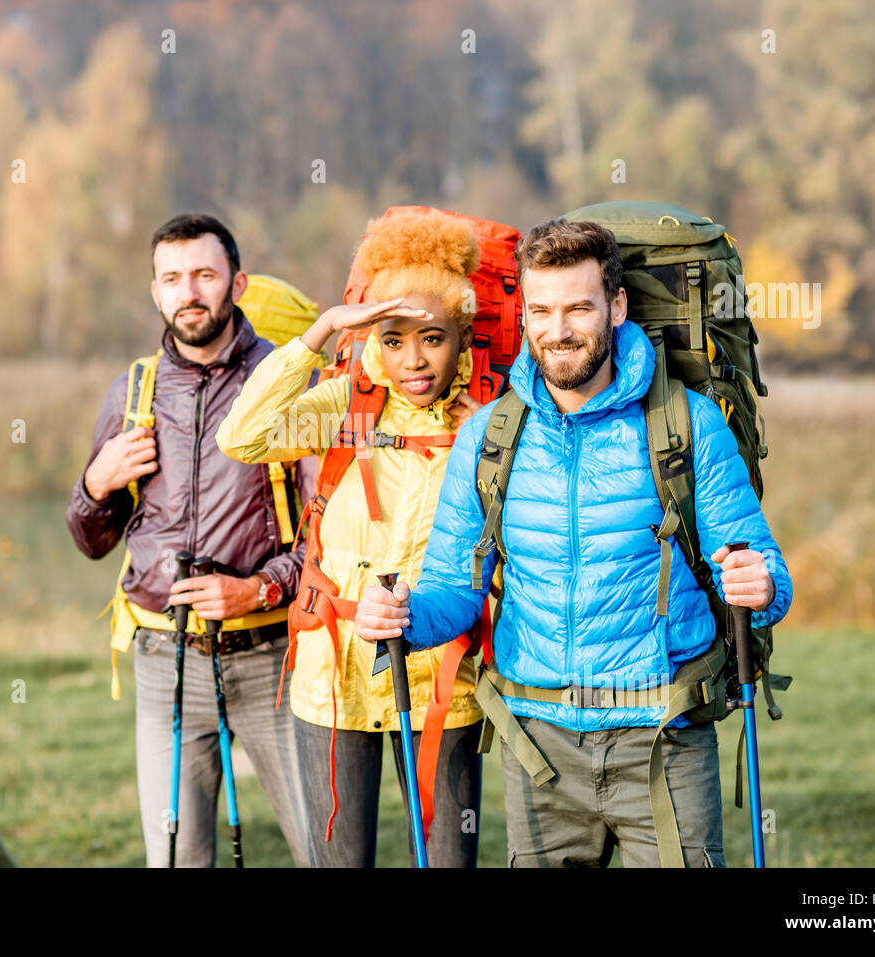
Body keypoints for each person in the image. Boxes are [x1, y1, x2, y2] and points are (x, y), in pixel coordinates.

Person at [354, 218, 794, 867]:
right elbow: (453, 588)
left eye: (578, 307)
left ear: (616, 307)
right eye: (542, 310)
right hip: (538, 748)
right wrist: (404, 616)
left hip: (664, 736)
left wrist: (761, 584)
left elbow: (766, 574)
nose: (558, 330)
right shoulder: (489, 437)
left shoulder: (686, 425)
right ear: (525, 314)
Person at [216, 209, 486, 867]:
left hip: (442, 682)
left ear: (462, 333)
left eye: (431, 337)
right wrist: (320, 334)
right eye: (392, 340)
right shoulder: (346, 405)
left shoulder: (489, 421)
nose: (413, 359)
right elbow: (241, 436)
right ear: (371, 339)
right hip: (330, 675)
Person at [67, 213, 309, 867]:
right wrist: (95, 484)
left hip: (273, 661)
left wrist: (259, 587)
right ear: (155, 291)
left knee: (326, 851)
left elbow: (328, 539)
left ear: (238, 282)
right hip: (165, 662)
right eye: (172, 278)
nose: (189, 292)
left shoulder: (288, 381)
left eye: (204, 274)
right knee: (177, 859)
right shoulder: (133, 391)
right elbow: (91, 539)